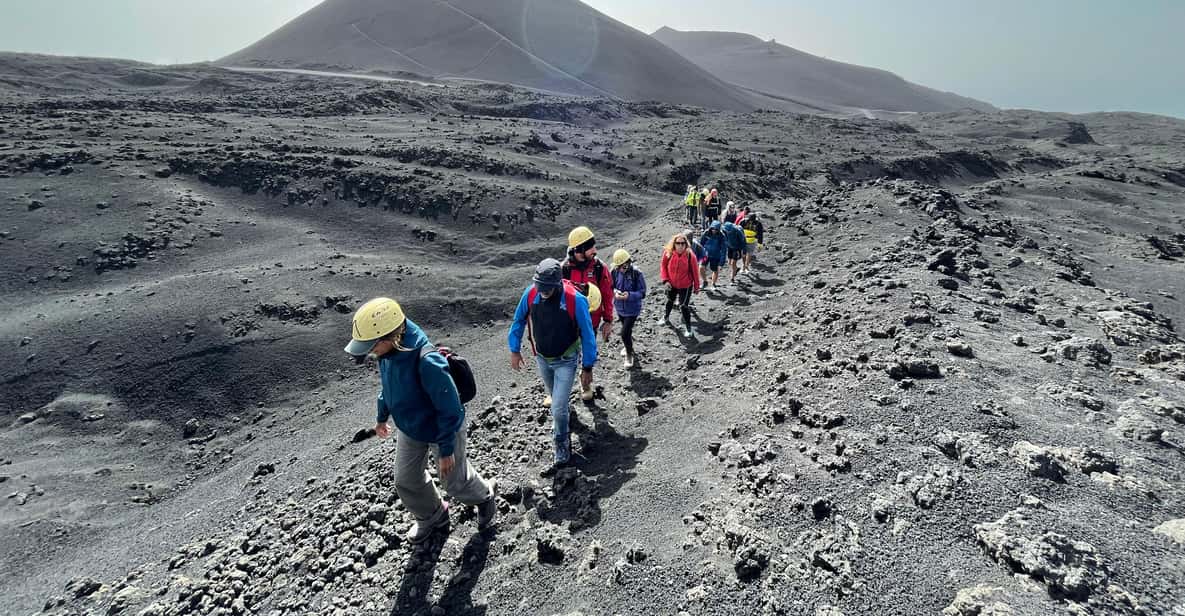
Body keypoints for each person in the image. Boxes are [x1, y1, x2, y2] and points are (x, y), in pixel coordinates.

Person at [344, 297, 495, 543]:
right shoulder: (389, 351)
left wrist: (446, 449)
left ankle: (485, 496)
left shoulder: (427, 361)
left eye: (371, 346)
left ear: (388, 337)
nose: (369, 352)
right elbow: (390, 388)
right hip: (411, 427)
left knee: (454, 483)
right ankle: (433, 516)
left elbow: (451, 409)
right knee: (406, 480)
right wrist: (381, 417)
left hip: (441, 429)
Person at [508, 259, 599, 477]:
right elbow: (519, 319)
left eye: (547, 287)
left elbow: (588, 335)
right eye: (540, 285)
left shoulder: (574, 299)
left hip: (566, 360)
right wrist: (514, 349)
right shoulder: (531, 293)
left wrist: (587, 367)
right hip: (542, 358)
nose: (543, 291)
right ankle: (564, 416)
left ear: (557, 283)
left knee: (557, 407)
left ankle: (561, 444)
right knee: (557, 399)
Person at [563, 226, 614, 345]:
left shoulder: (599, 268)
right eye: (590, 247)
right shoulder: (564, 269)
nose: (595, 251)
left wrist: (608, 320)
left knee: (588, 356)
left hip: (592, 323)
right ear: (579, 249)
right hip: (570, 324)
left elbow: (607, 295)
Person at [659, 233, 701, 338]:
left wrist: (696, 287)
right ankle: (665, 317)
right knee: (669, 301)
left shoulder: (690, 256)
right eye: (678, 243)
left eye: (683, 243)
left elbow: (695, 272)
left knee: (683, 306)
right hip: (672, 284)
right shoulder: (668, 253)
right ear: (674, 244)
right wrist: (665, 280)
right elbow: (663, 266)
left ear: (686, 244)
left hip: (685, 285)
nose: (680, 245)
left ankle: (688, 329)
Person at [610, 249, 647, 368]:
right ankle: (629, 347)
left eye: (624, 266)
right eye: (619, 266)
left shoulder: (637, 273)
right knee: (627, 331)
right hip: (620, 308)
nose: (622, 269)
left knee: (624, 333)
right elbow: (610, 286)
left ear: (629, 262)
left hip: (632, 309)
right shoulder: (614, 272)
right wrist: (615, 292)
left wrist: (629, 296)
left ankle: (629, 355)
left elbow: (642, 293)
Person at [700, 221, 728, 290]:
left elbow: (724, 250)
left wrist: (721, 263)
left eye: (716, 229)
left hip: (716, 256)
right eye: (713, 228)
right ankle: (705, 281)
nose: (714, 230)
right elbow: (701, 244)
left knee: (715, 270)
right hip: (706, 254)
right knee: (701, 267)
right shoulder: (706, 233)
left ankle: (713, 284)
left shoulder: (722, 236)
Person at [722, 219, 747, 283]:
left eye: (729, 231)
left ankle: (732, 278)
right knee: (729, 263)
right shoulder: (724, 230)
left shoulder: (737, 231)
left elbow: (743, 241)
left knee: (733, 263)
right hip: (729, 247)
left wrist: (744, 251)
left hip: (737, 248)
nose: (728, 232)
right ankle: (736, 269)